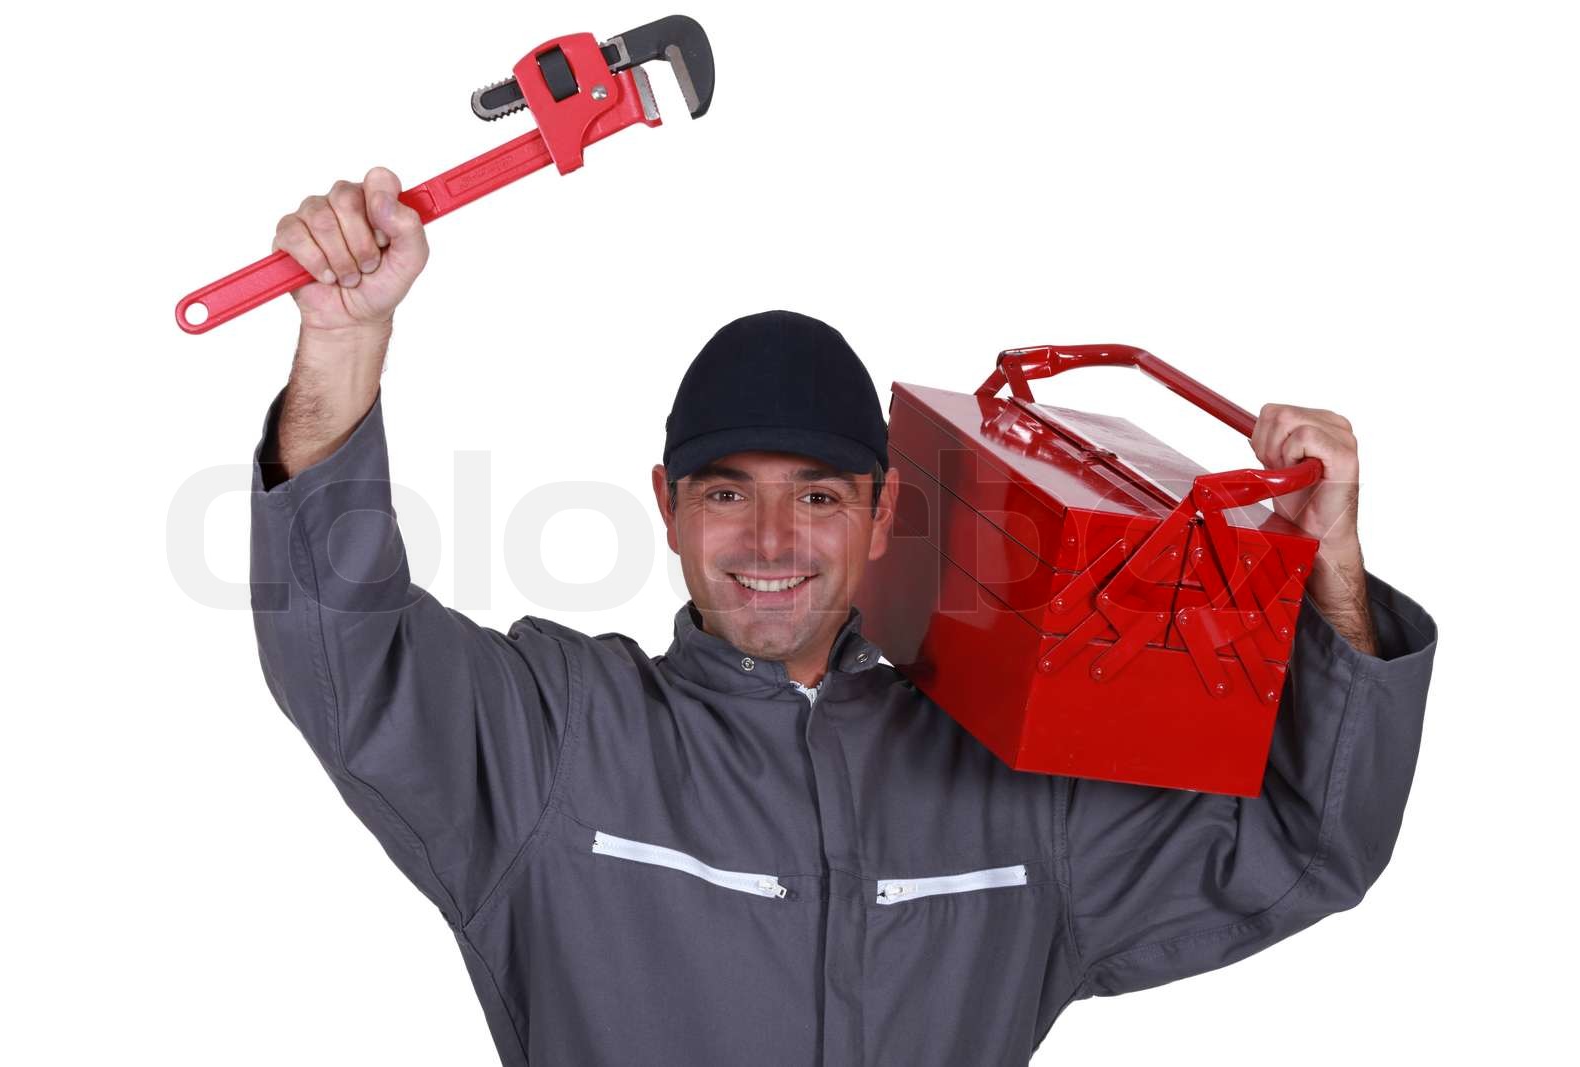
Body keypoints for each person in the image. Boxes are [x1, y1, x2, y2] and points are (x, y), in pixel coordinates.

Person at [250, 168, 1439, 1066]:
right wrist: (342, 349)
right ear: (666, 509)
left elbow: (1307, 843)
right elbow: (351, 655)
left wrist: (1328, 569)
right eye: (728, 493)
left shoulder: (1015, 782)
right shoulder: (561, 739)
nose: (770, 541)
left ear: (882, 521)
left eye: (817, 496)